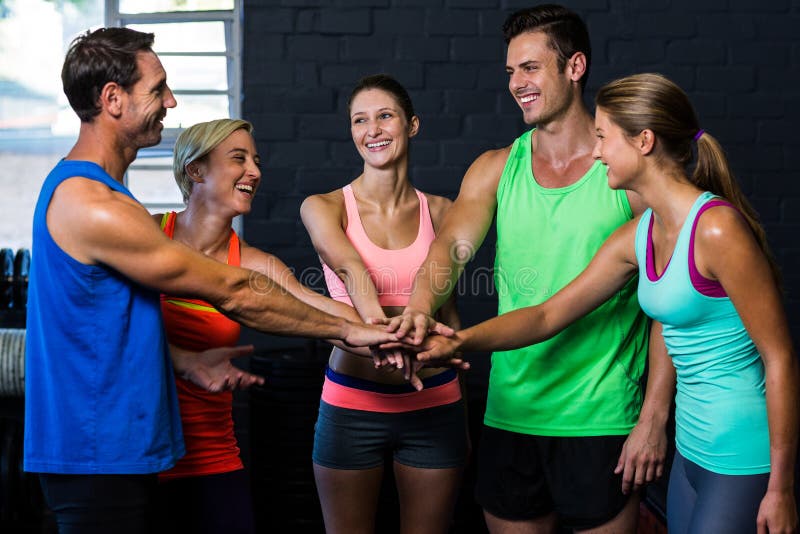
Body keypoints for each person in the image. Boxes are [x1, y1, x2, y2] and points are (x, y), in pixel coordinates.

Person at [23, 27, 397, 534]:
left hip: (125, 451)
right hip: (98, 453)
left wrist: (182, 360)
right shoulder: (91, 204)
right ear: (112, 99)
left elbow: (97, 323)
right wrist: (356, 331)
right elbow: (234, 290)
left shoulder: (103, 200)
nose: (170, 102)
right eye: (157, 89)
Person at [414, 72, 800, 534]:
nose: (595, 152)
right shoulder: (641, 234)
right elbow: (548, 314)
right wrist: (457, 341)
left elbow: (780, 359)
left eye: (603, 137)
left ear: (644, 141)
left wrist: (782, 487)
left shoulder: (717, 229)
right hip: (691, 453)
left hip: (740, 452)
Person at [388, 5, 674, 533]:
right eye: (511, 71)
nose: (517, 83)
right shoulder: (498, 166)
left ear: (575, 67)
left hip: (603, 417)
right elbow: (449, 249)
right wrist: (419, 312)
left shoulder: (627, 174)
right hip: (511, 411)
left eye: (530, 68)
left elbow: (668, 306)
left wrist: (654, 416)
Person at [153, 118, 375, 534]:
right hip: (139, 456)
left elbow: (324, 314)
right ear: (195, 170)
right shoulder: (149, 234)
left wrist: (402, 338)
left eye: (256, 160)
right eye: (239, 158)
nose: (255, 171)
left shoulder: (258, 265)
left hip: (212, 459)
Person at [299, 74, 469, 534]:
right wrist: (381, 331)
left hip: (435, 403)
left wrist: (453, 345)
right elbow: (350, 267)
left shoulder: (443, 210)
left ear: (411, 125)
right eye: (360, 120)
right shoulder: (324, 206)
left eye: (385, 116)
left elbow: (447, 312)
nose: (372, 129)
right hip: (351, 405)